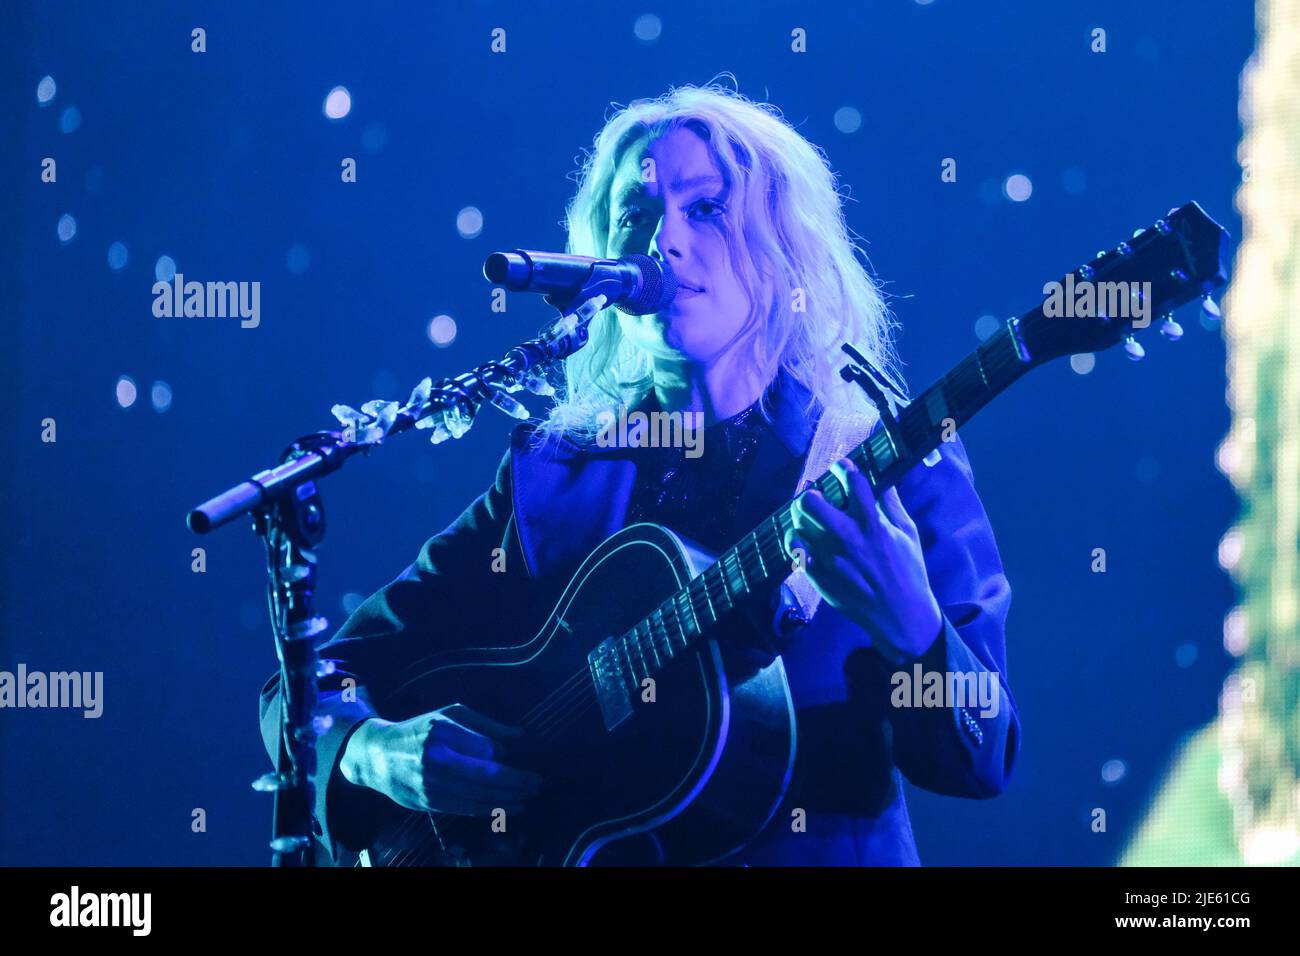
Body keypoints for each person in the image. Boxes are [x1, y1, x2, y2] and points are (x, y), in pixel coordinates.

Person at [259, 82, 1019, 866]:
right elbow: (318, 676)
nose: (666, 243)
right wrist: (365, 747)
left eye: (708, 209)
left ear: (784, 244)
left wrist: (914, 629)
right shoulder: (556, 472)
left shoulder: (884, 455)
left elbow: (984, 757)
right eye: (639, 214)